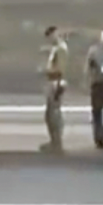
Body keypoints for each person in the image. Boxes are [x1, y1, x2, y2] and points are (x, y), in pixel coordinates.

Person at [40, 26, 68, 155]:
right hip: (53, 81)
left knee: (54, 114)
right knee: (50, 113)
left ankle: (57, 142)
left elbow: (60, 68)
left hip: (56, 82)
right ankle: (54, 141)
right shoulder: (56, 48)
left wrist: (46, 71)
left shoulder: (60, 49)